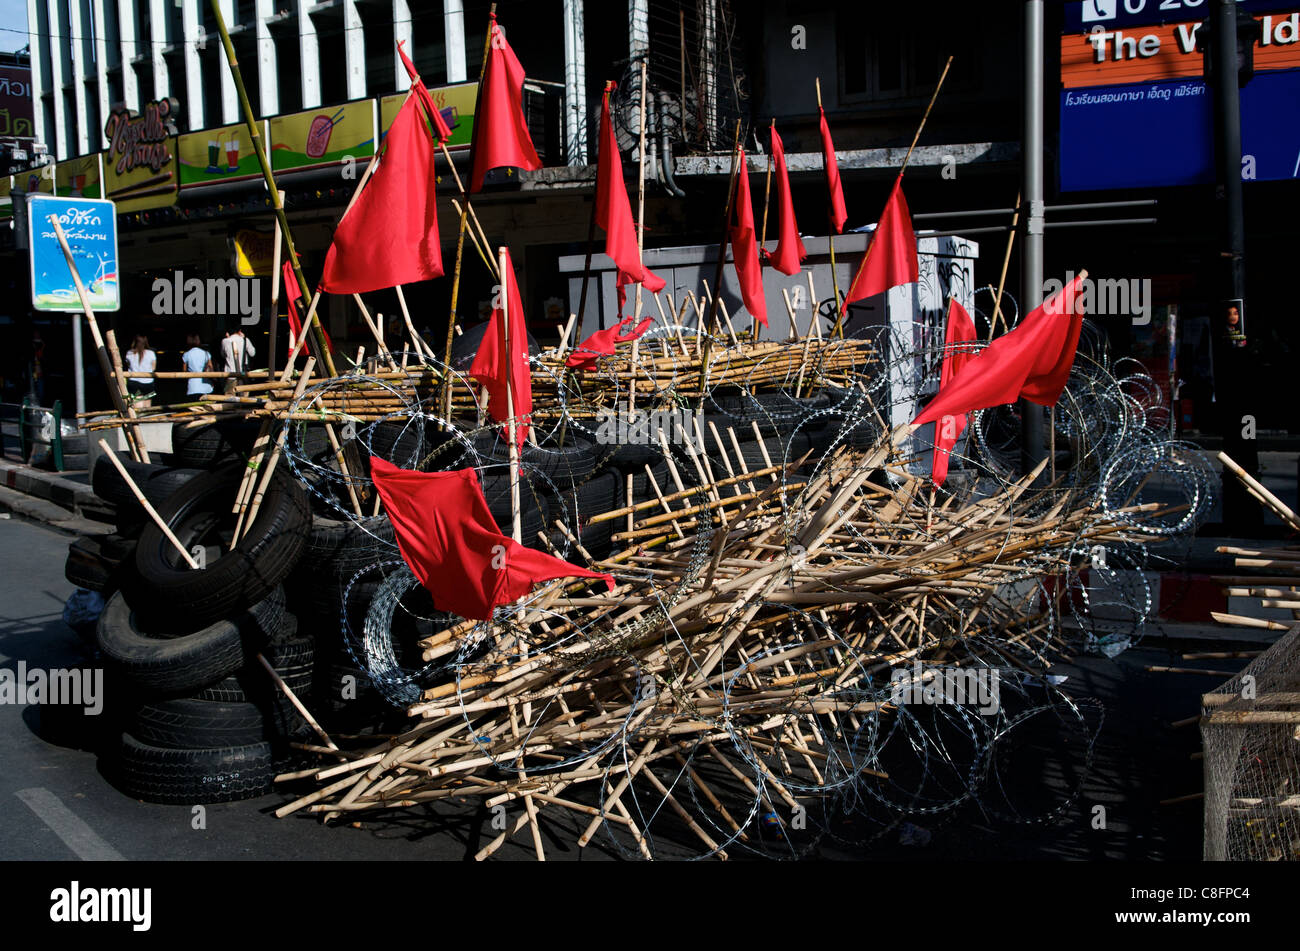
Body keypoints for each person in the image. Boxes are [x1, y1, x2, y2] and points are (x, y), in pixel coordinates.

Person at [220, 327, 256, 394]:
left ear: (227, 333)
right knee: (244, 397)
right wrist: (244, 338)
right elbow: (252, 353)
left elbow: (223, 355)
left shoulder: (225, 341)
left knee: (230, 397)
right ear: (239, 331)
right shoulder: (245, 340)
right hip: (243, 374)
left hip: (230, 373)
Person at [124, 334, 156, 407]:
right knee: (147, 406)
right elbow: (153, 368)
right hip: (148, 382)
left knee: (137, 406)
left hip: (133, 382)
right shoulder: (151, 353)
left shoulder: (129, 353)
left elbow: (128, 366)